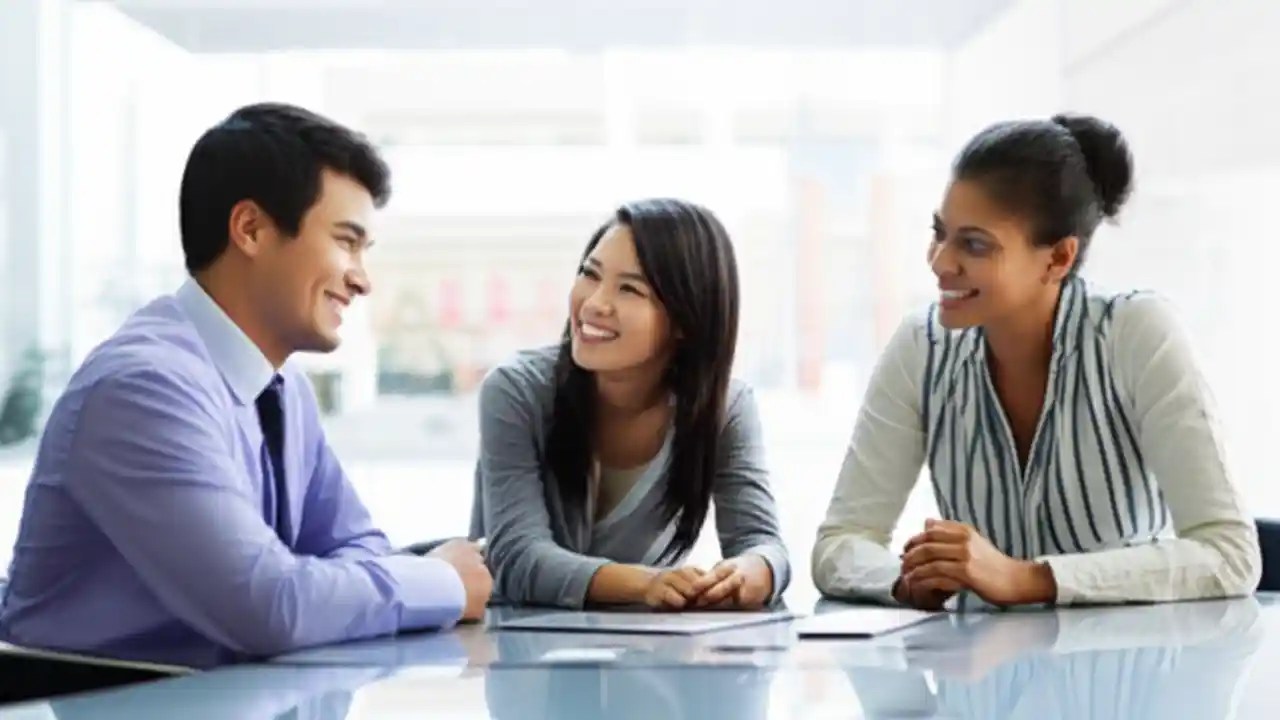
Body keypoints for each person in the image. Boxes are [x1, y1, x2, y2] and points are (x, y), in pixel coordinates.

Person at [0, 102, 491, 668]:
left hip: (230, 698)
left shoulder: (283, 390)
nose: (362, 279)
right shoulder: (143, 389)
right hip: (103, 703)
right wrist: (441, 581)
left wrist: (323, 589)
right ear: (251, 230)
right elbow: (268, 605)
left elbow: (357, 549)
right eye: (345, 242)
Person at [812, 114, 1261, 611]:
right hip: (980, 659)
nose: (940, 262)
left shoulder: (1135, 333)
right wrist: (906, 580)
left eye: (974, 244)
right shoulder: (921, 346)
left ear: (1059, 258)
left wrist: (1029, 579)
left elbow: (1230, 554)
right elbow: (840, 543)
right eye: (940, 233)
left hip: (1130, 658)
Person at [477, 198, 789, 610]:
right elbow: (517, 557)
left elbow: (761, 542)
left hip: (644, 640)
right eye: (590, 274)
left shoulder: (725, 408)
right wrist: (645, 584)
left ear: (686, 318)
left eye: (629, 289)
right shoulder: (517, 390)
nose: (593, 303)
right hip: (516, 638)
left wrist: (754, 571)